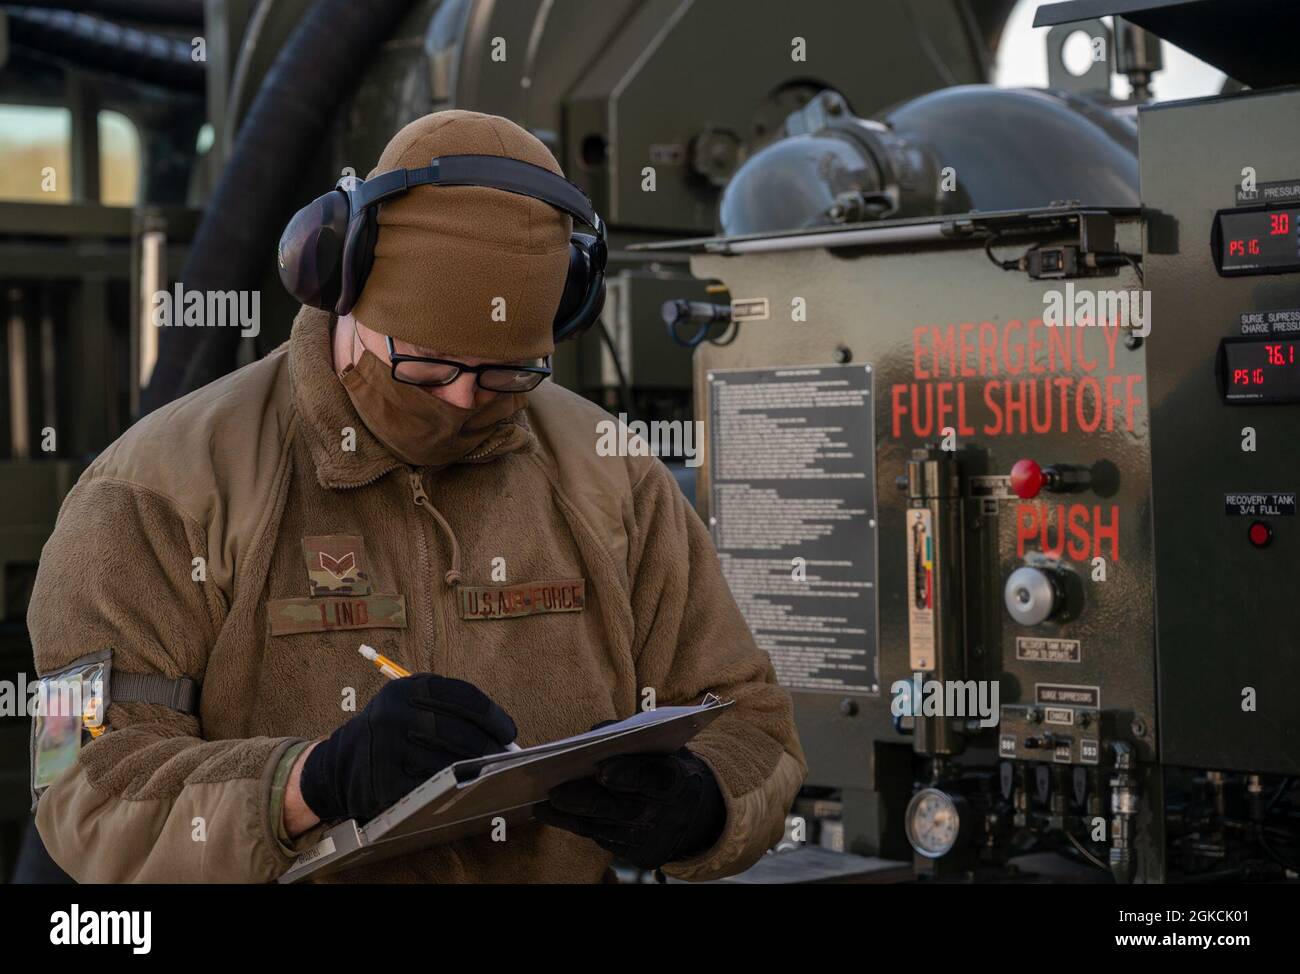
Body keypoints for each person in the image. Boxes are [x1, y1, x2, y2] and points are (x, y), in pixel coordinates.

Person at [29, 110, 806, 883]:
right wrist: (310, 783)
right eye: (429, 367)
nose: (465, 400)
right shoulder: (159, 491)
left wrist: (701, 805)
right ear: (342, 284)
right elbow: (87, 791)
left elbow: (750, 722)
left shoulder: (611, 478)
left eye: (507, 373)